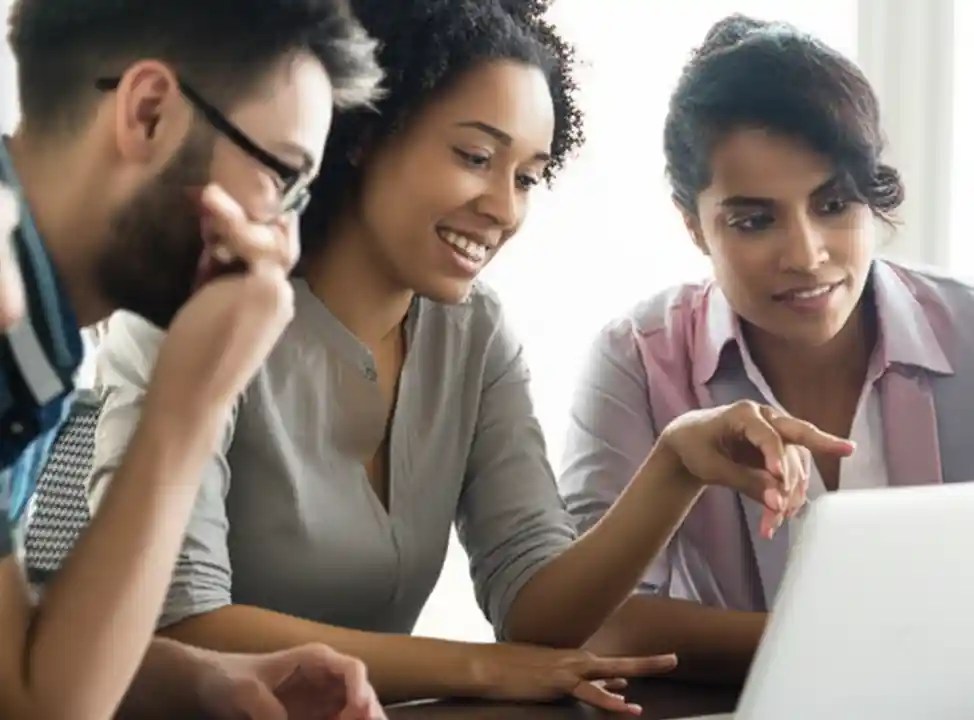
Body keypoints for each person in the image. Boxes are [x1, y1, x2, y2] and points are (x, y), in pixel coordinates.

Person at [90, 0, 850, 715]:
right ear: (364, 132)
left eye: (526, 176)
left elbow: (537, 608)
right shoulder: (199, 305)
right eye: (475, 156)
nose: (504, 207)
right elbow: (179, 623)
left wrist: (675, 465)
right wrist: (479, 666)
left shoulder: (472, 330)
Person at [558, 14, 974, 707]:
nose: (806, 253)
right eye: (754, 219)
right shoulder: (637, 363)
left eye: (834, 204)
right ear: (692, 225)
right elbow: (599, 625)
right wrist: (891, 648)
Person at [0, 1, 390, 718]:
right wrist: (190, 406)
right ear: (148, 112)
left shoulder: (36, 341)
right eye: (282, 180)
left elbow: (11, 659)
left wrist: (205, 677)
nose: (285, 244)